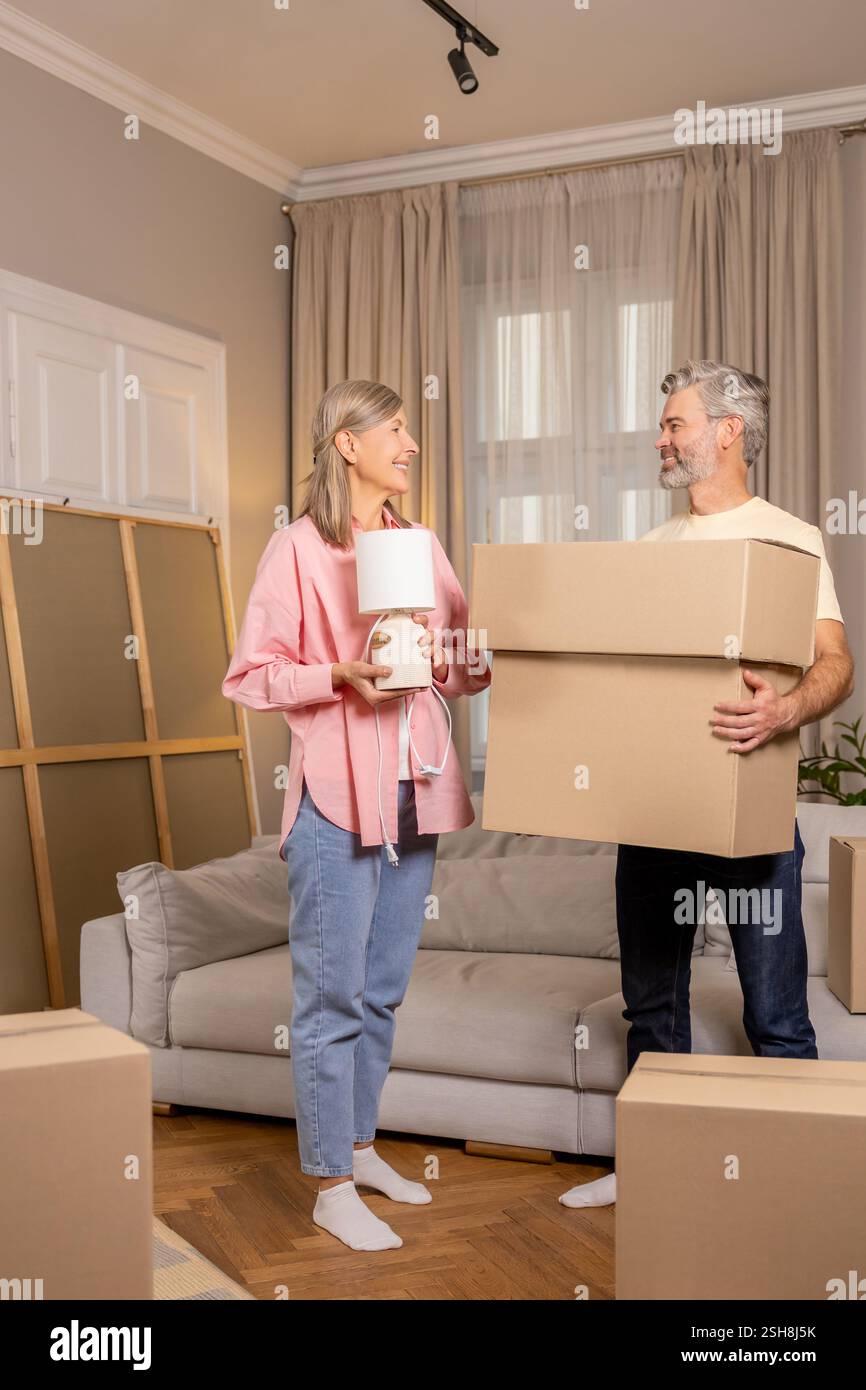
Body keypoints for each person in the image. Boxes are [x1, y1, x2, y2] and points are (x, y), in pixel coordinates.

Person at [560, 359, 855, 1210]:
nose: (661, 439)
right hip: (655, 815)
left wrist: (787, 708)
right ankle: (648, 1168)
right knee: (652, 1010)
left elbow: (838, 664)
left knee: (775, 1013)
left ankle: (802, 1184)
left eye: (675, 423)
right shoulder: (651, 550)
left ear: (727, 431)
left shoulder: (791, 537)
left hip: (753, 812)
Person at [221, 379, 491, 1250]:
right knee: (331, 996)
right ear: (347, 443)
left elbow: (456, 666)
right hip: (335, 804)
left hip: (416, 794)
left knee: (381, 993)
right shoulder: (297, 550)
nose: (411, 444)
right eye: (397, 430)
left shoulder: (420, 542)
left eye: (411, 431)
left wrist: (474, 650)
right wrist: (337, 672)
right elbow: (250, 675)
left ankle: (362, 1148)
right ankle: (330, 1183)